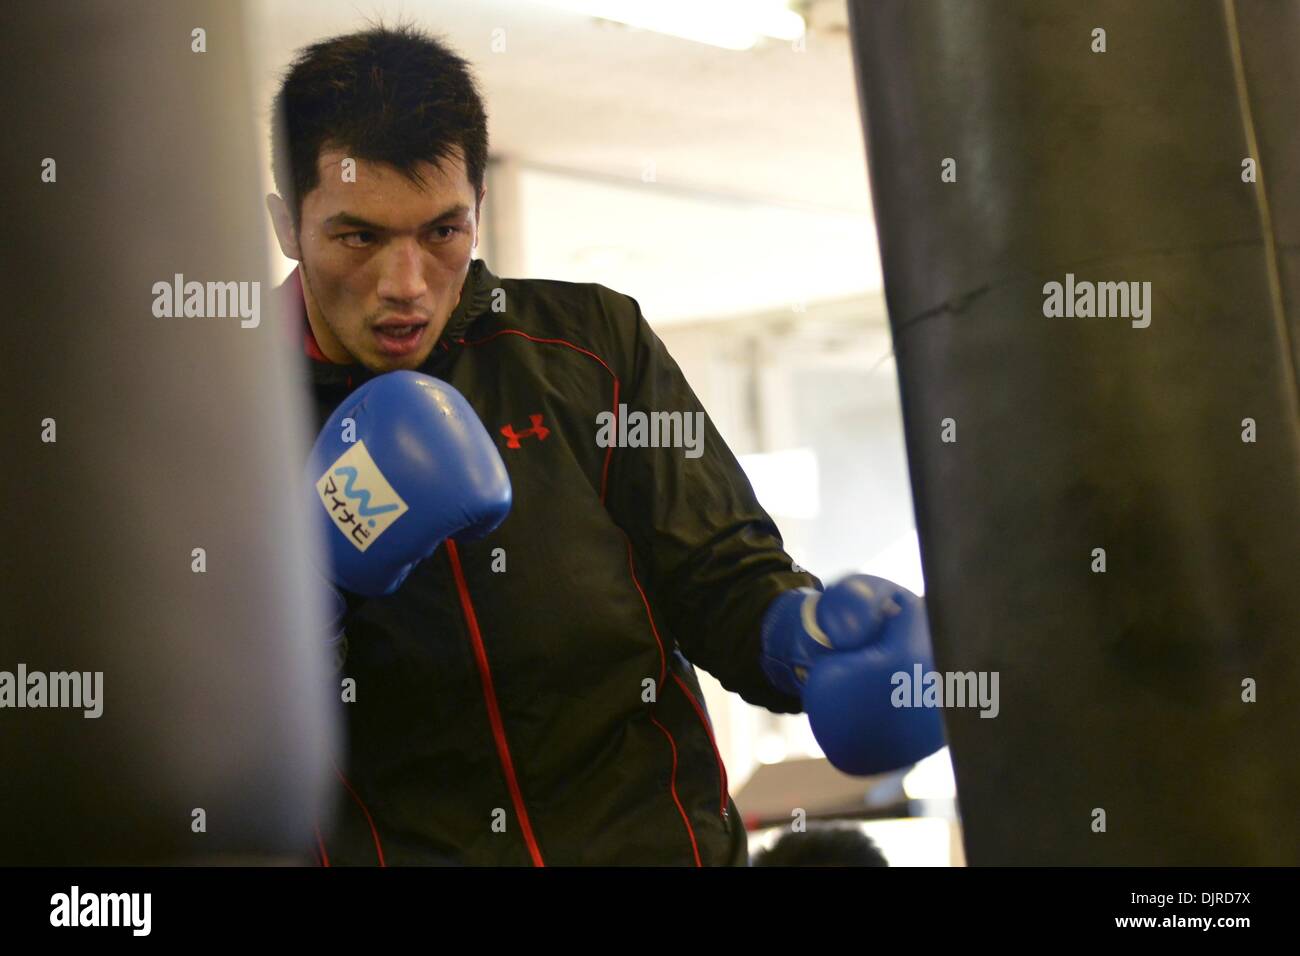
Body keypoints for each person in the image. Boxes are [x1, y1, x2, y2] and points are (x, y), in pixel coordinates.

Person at [268, 23, 939, 867]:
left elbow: (715, 571)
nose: (406, 285)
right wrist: (313, 588)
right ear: (288, 224)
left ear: (476, 204)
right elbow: (202, 737)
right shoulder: (225, 418)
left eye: (443, 232)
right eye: (359, 237)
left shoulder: (588, 346)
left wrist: (798, 636)